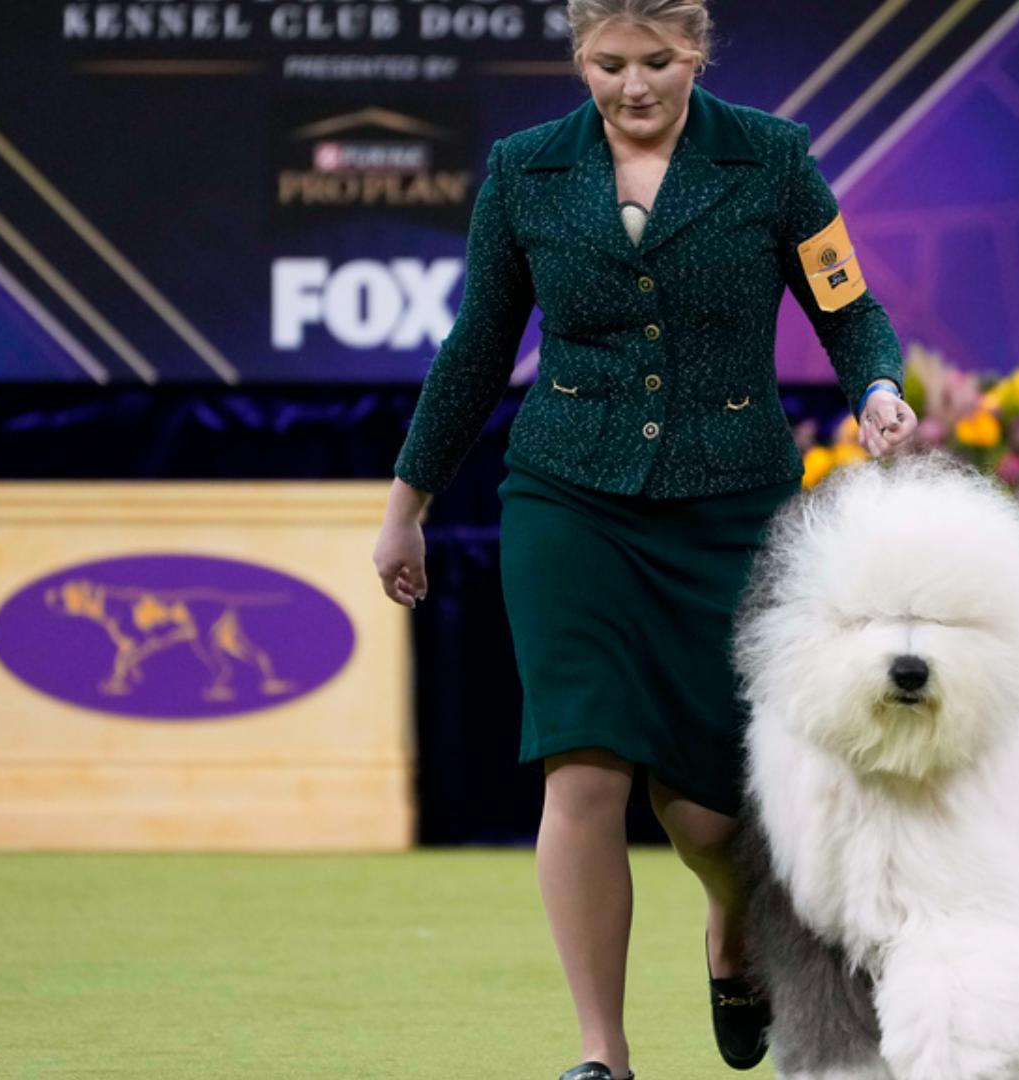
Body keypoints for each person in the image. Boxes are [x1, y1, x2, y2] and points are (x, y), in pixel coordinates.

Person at [370, 2, 917, 1076]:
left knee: (711, 818)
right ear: (580, 58)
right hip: (568, 497)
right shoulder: (525, 170)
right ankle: (601, 1054)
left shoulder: (771, 158)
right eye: (608, 63)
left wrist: (878, 388)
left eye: (657, 61)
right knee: (582, 772)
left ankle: (732, 930)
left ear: (695, 54)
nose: (633, 85)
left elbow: (848, 307)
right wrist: (407, 505)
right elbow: (476, 346)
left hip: (733, 508)